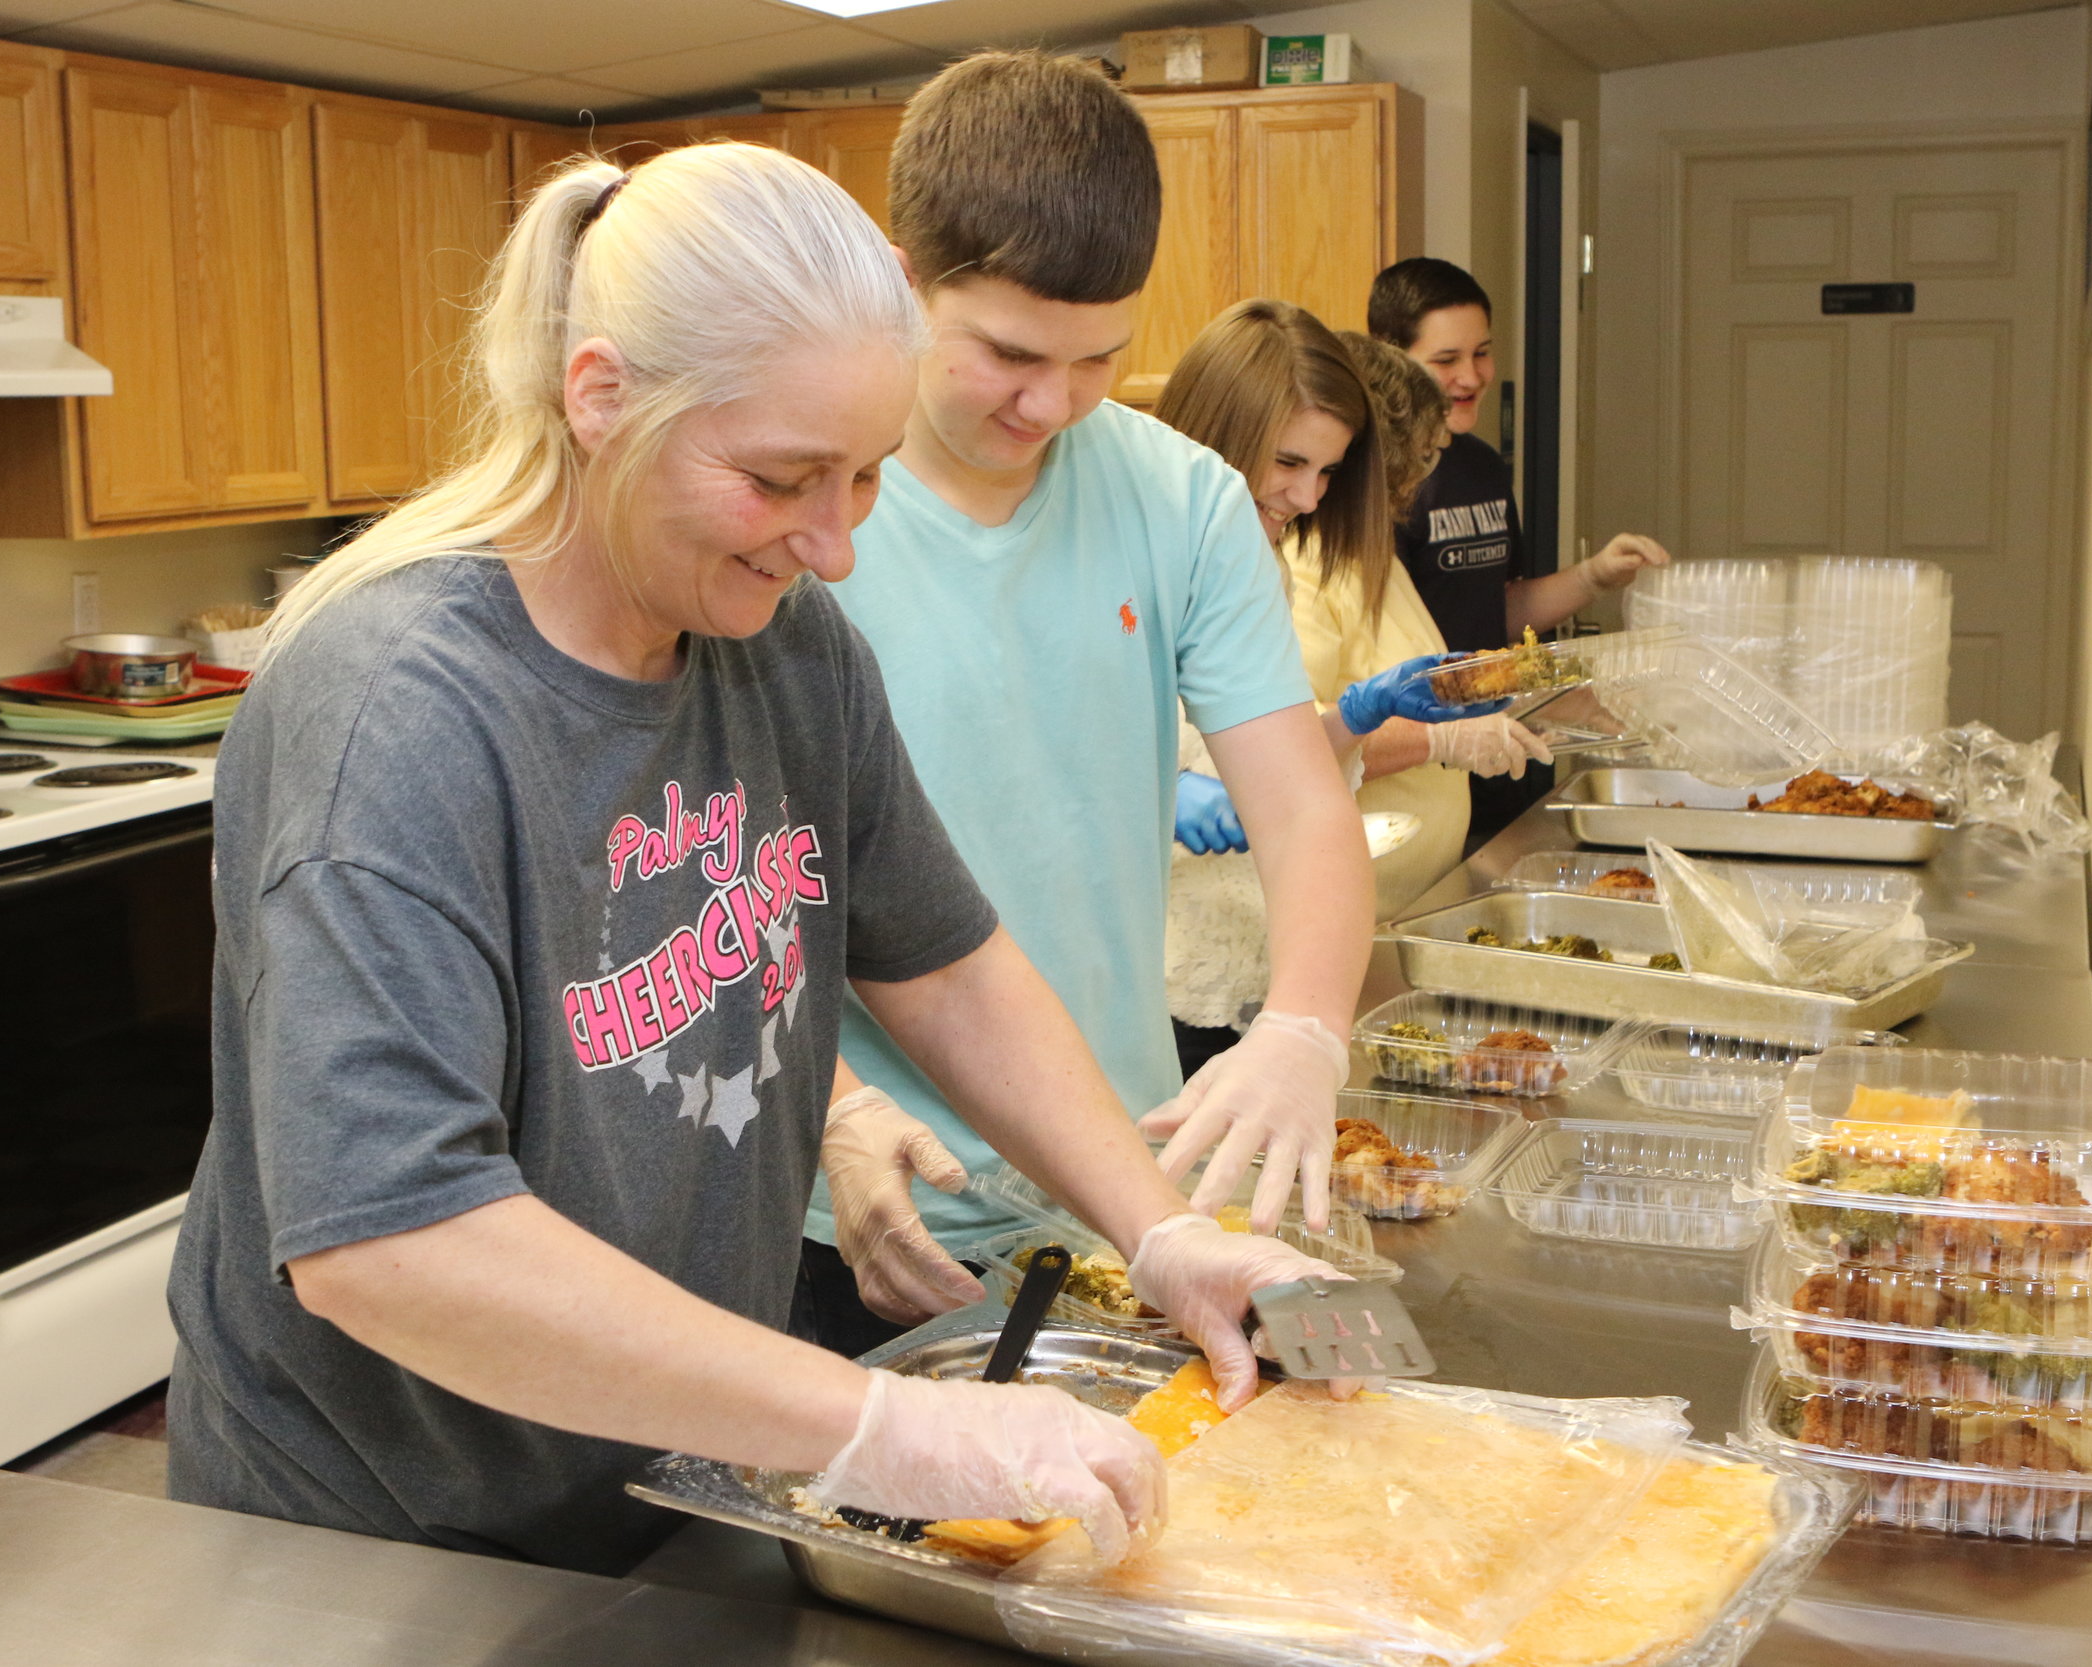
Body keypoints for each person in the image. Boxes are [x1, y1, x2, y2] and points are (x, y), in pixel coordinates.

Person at [161, 141, 1344, 1579]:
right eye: (785, 477)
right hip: (386, 1540)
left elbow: (947, 964)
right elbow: (390, 1238)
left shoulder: (779, 642)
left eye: (864, 477)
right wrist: (873, 1422)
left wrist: (1158, 1232)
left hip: (663, 1468)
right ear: (601, 396)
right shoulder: (399, 710)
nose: (837, 544)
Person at [800, 52, 1376, 1355]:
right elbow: (706, 878)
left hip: (1127, 1188)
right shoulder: (808, 504)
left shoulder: (1183, 499)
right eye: (1005, 352)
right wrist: (822, 1103)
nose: (1050, 403)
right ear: (903, 281)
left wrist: (1304, 1026)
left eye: (1097, 357)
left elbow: (1299, 807)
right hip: (865, 1202)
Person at [1152, 302, 1547, 1074]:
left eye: (1327, 472)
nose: (1308, 497)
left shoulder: (1254, 557)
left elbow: (1275, 763)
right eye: (1290, 464)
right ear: (1216, 434)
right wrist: (1155, 795)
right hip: (1167, 977)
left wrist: (1356, 718)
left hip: (1260, 965)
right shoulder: (1132, 558)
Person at [1368, 257, 1672, 838]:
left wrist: (1593, 577)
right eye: (1445, 360)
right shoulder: (1375, 486)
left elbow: (1494, 610)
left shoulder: (1481, 466)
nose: (1472, 376)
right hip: (1420, 769)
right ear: (1391, 358)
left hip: (1503, 757)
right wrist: (1539, 704)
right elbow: (1380, 670)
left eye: (1481, 352)